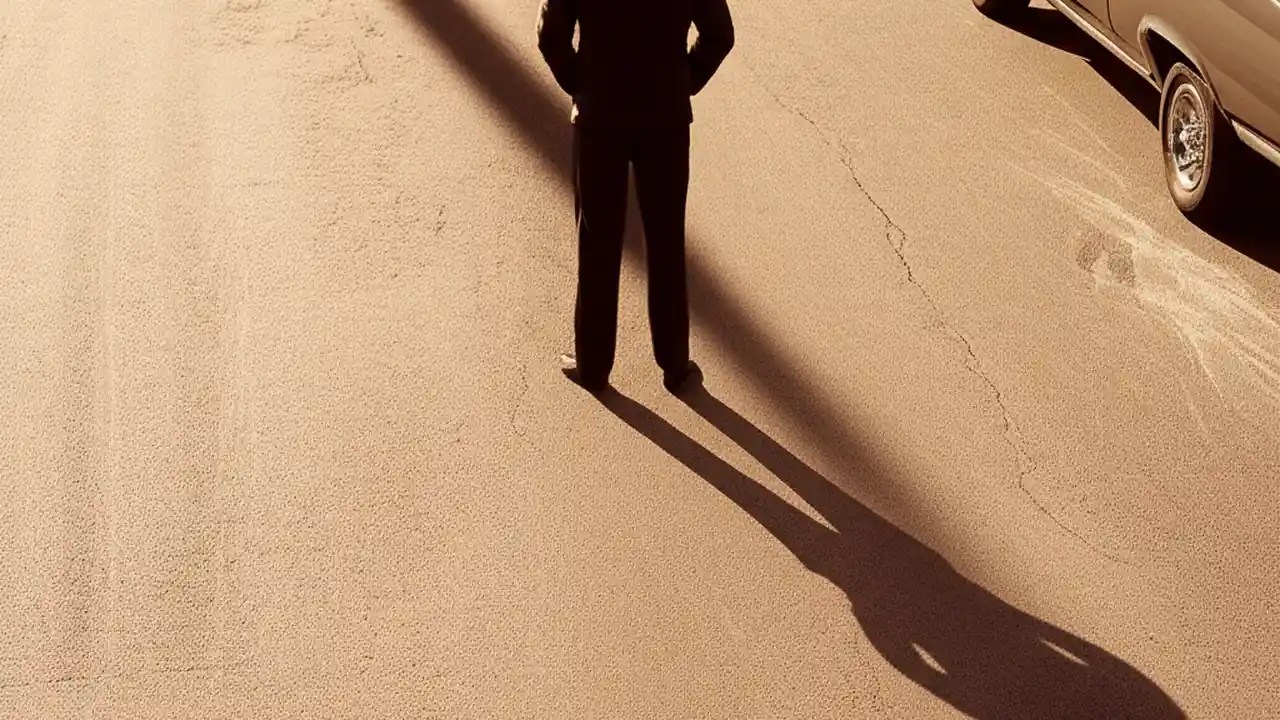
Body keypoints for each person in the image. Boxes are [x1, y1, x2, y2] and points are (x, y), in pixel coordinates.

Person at [536, 0, 734, 394]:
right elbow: (719, 35)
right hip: (666, 116)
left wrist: (582, 82)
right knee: (666, 240)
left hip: (599, 119)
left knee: (598, 241)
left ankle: (593, 366)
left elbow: (550, 35)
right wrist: (683, 80)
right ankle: (676, 366)